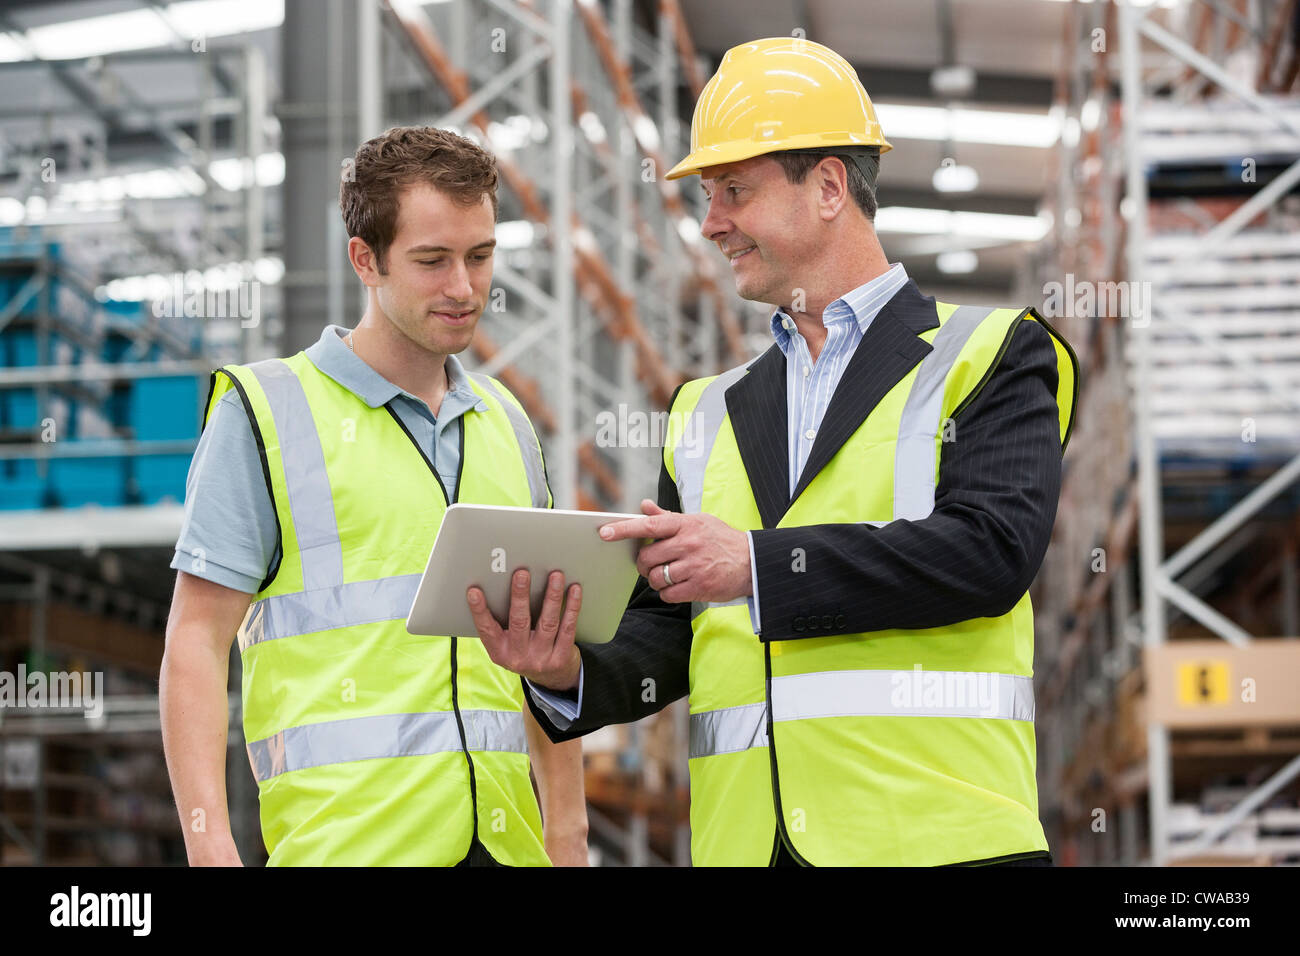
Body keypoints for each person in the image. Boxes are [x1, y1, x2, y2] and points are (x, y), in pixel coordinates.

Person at [466, 38, 1078, 866]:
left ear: (828, 187)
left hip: (937, 844)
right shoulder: (703, 410)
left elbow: (990, 552)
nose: (711, 222)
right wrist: (567, 669)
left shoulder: (990, 353)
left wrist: (756, 565)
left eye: (734, 192)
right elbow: (676, 631)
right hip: (745, 848)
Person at [160, 126, 588, 867]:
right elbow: (195, 642)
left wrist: (568, 831)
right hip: (348, 849)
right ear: (367, 260)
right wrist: (209, 845)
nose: (464, 287)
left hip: (506, 846)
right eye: (432, 261)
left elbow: (545, 644)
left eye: (480, 257)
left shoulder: (509, 426)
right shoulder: (265, 411)